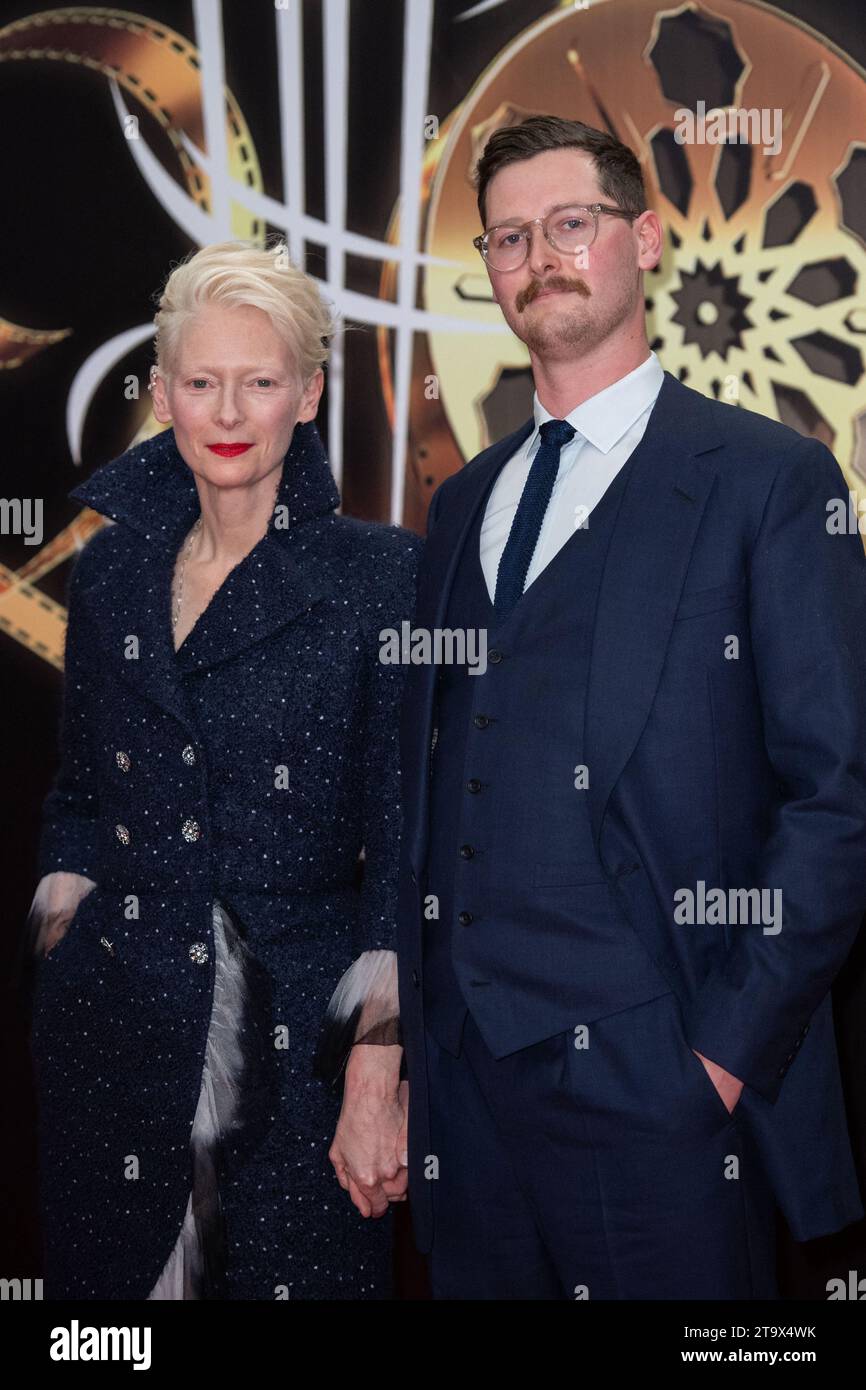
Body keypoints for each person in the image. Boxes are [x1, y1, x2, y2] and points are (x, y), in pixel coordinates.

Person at [394, 116, 866, 1299]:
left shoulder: (768, 480)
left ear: (644, 240)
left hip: (662, 1101)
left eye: (569, 223)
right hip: (467, 1096)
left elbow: (836, 794)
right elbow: (421, 787)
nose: (538, 256)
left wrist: (714, 1057)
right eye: (507, 237)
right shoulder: (463, 506)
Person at [23, 238, 419, 1299]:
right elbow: (78, 794)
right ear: (162, 397)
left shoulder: (382, 578)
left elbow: (404, 846)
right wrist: (64, 933)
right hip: (114, 1040)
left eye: (259, 381)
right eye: (201, 382)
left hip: (300, 1062)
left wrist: (376, 1065)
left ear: (309, 392)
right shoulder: (110, 570)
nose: (229, 411)